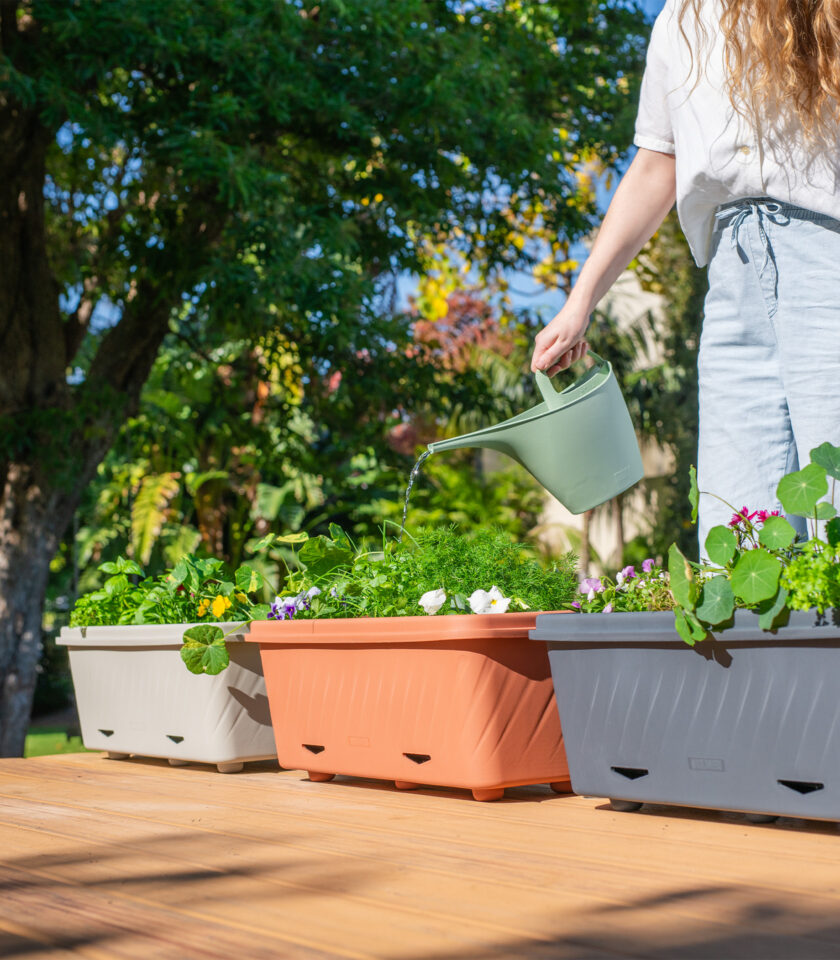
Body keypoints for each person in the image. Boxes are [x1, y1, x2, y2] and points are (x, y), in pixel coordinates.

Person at [531, 0, 840, 551]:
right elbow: (657, 164)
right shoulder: (680, 19)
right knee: (739, 530)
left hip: (827, 260)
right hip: (731, 277)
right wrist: (579, 305)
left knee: (833, 504)